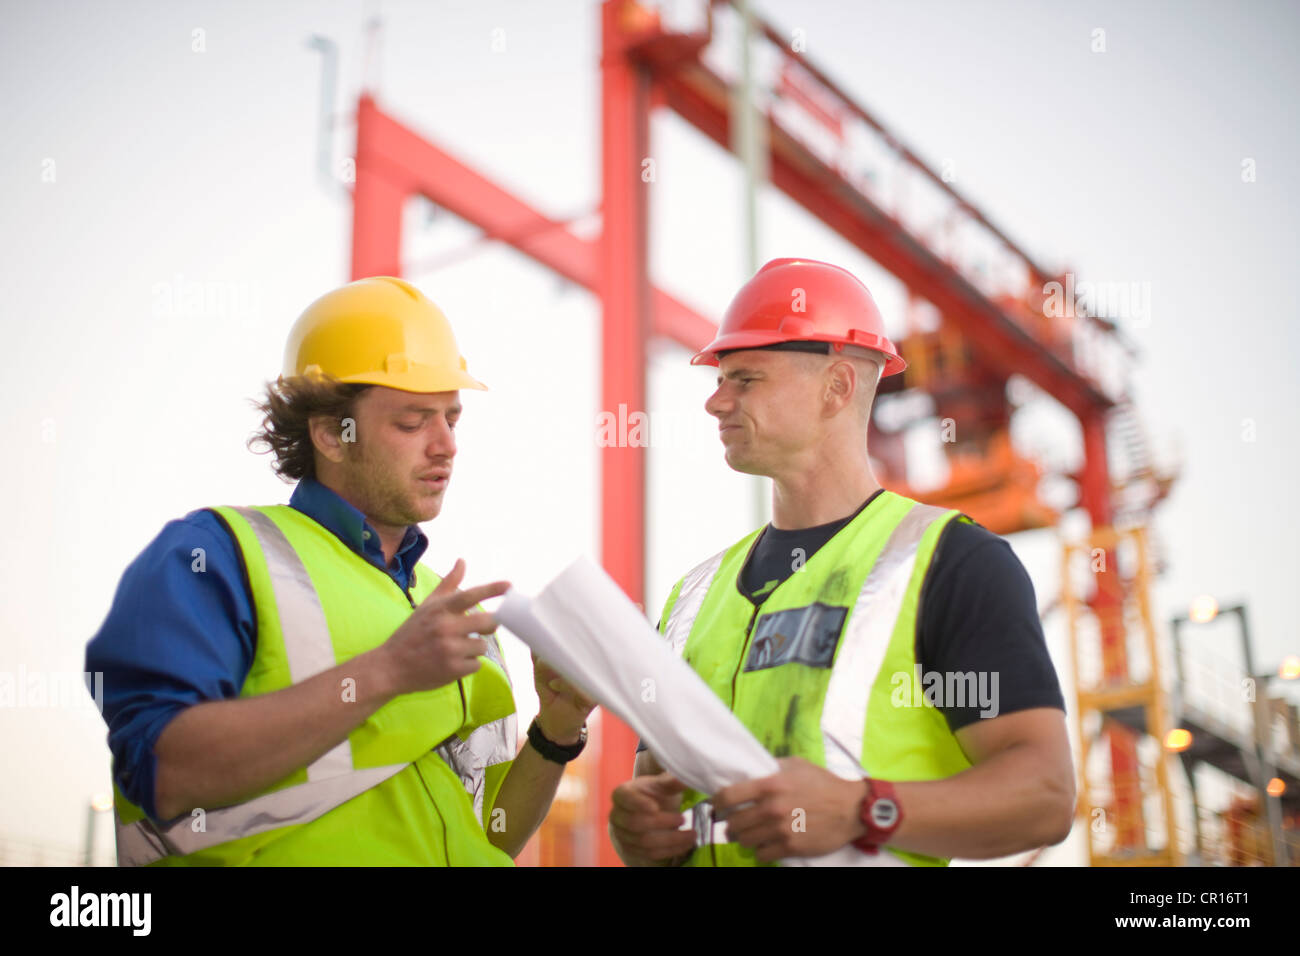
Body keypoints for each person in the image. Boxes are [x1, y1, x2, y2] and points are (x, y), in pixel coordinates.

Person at [87, 275, 594, 866]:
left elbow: (493, 833)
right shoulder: (219, 555)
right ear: (330, 433)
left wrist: (556, 730)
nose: (446, 445)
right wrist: (387, 671)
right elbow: (165, 771)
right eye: (412, 422)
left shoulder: (454, 608)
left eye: (452, 419)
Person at [608, 258, 1075, 867]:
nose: (715, 403)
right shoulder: (692, 597)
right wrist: (639, 829)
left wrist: (862, 810)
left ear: (837, 387)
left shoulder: (951, 564)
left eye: (745, 379)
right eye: (720, 379)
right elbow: (658, 789)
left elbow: (1045, 797)